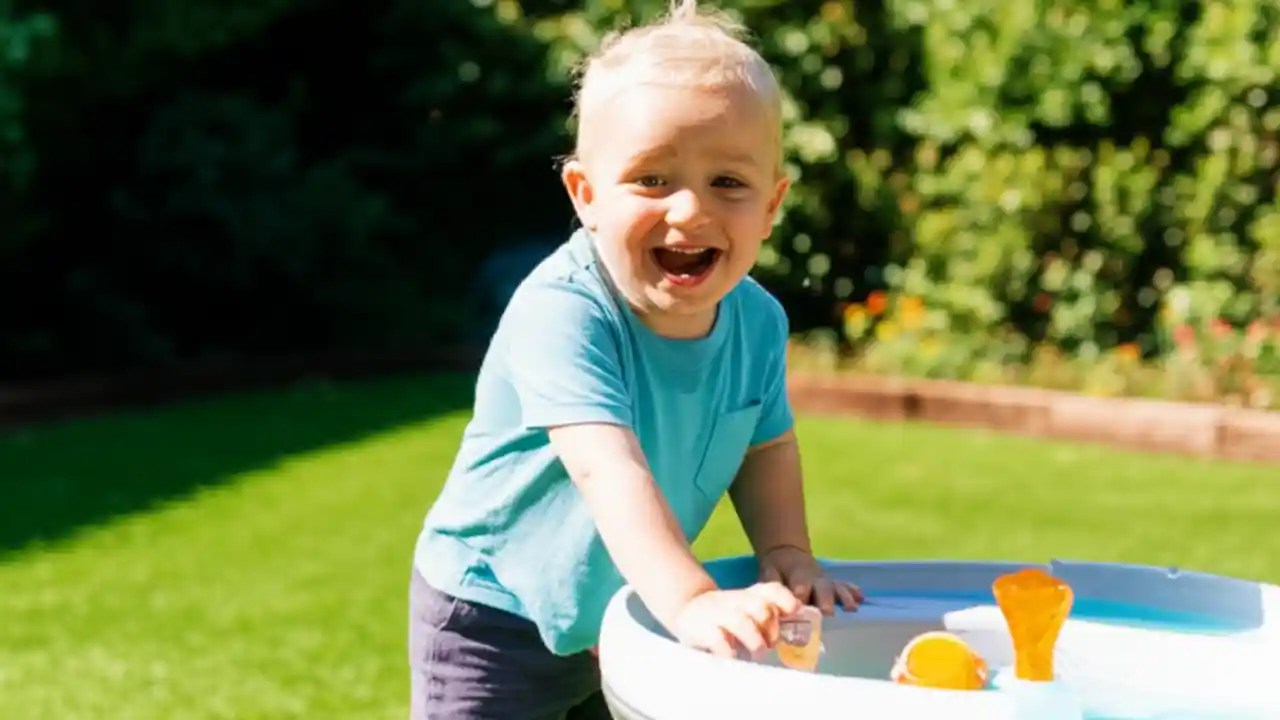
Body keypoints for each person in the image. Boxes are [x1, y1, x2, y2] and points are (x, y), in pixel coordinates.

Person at [408, 1, 862, 717]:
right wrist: (688, 600)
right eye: (652, 179)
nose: (688, 211)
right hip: (494, 609)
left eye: (729, 183)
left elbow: (765, 445)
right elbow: (606, 466)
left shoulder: (757, 321)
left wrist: (787, 549)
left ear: (771, 207)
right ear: (586, 195)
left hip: (618, 603)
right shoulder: (565, 312)